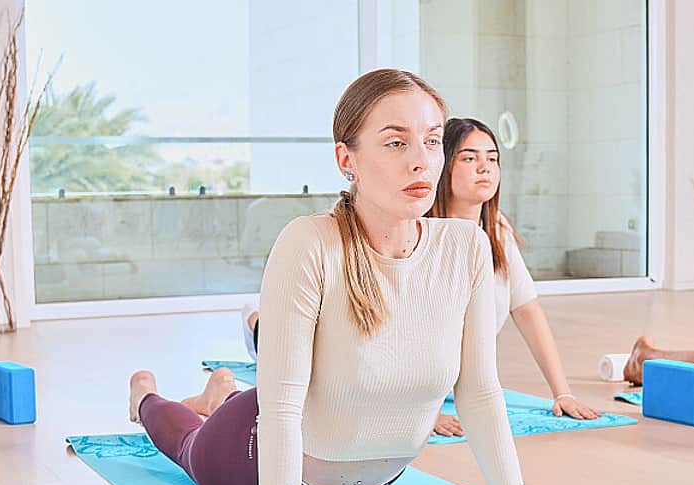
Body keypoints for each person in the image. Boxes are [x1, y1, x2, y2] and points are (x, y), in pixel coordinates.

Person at [128, 69, 600, 485]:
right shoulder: (310, 243)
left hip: (365, 481)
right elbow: (281, 408)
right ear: (346, 159)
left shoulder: (467, 245)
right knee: (187, 447)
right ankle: (146, 396)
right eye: (395, 142)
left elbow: (480, 394)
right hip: (253, 450)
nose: (420, 160)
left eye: (431, 140)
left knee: (231, 409)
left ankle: (219, 394)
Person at [241, 117, 600, 437]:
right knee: (294, 357)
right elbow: (390, 335)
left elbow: (527, 310)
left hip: (439, 377)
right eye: (469, 158)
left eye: (492, 158)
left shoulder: (496, 232)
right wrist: (420, 416)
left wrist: (561, 391)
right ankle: (258, 322)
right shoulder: (412, 233)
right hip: (358, 370)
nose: (485, 168)